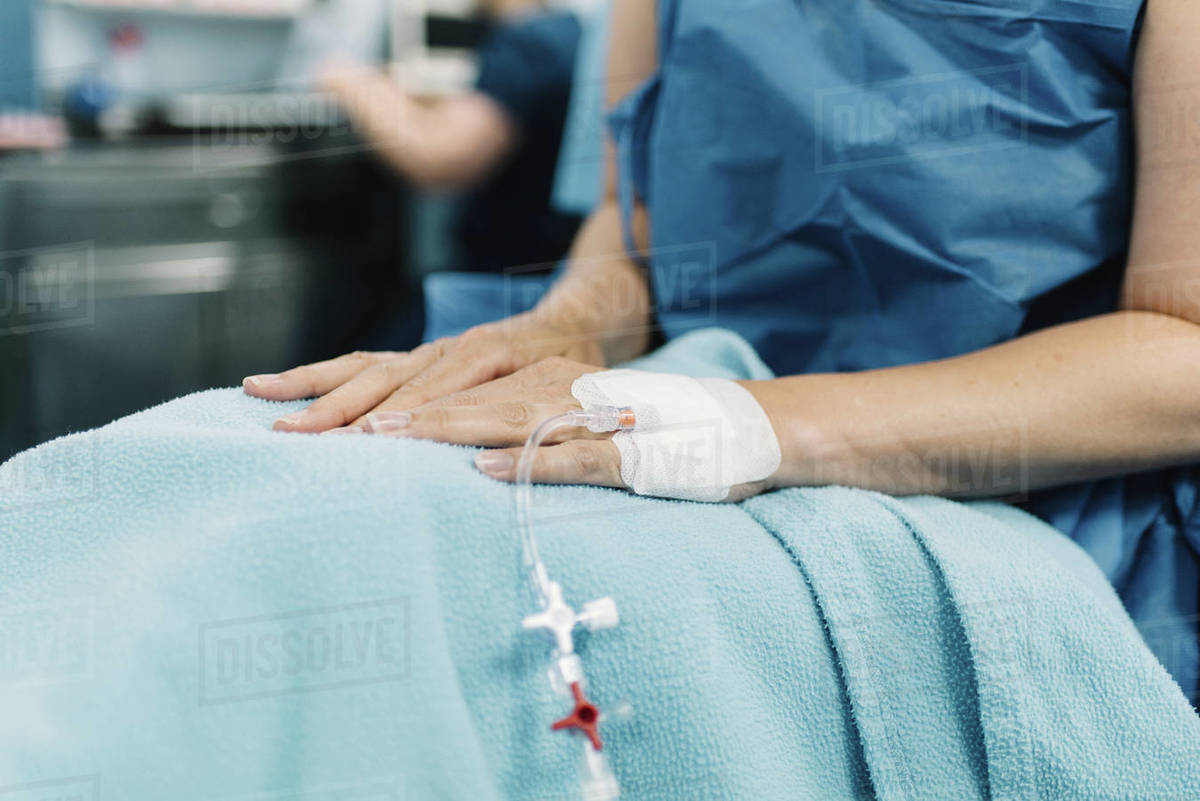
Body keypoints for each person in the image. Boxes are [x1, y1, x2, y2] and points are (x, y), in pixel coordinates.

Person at [246, 0, 1200, 700]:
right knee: (295, 500)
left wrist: (750, 429)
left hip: (1033, 505)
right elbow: (630, 242)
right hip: (682, 415)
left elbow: (1183, 349)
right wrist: (561, 328)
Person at [320, 0, 583, 274]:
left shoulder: (531, 45)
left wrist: (349, 81)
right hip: (547, 263)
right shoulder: (568, 32)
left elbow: (440, 158)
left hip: (507, 279)